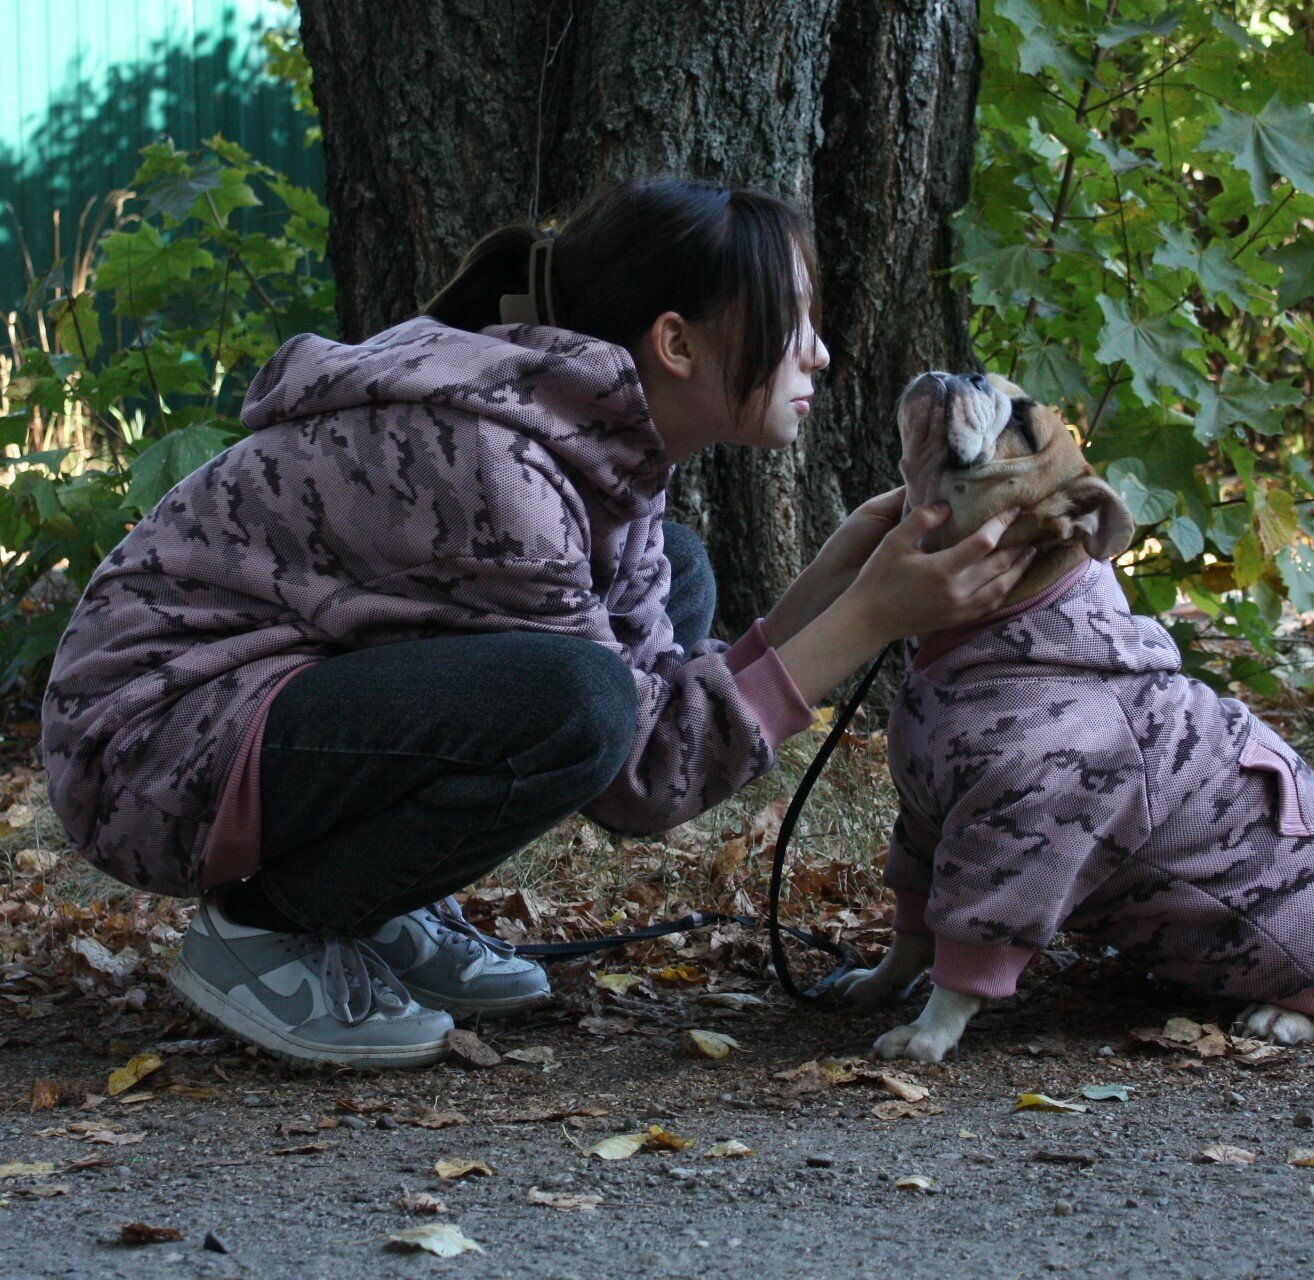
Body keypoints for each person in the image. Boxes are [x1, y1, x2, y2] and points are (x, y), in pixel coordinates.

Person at [41, 178, 1033, 1068]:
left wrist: (835, 579)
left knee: (673, 579)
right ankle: (269, 928)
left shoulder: (597, 441)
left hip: (249, 706)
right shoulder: (498, 466)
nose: (818, 349)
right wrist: (867, 617)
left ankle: (368, 904)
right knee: (574, 697)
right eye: (795, 317)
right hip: (148, 746)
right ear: (676, 341)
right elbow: (633, 767)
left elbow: (659, 717)